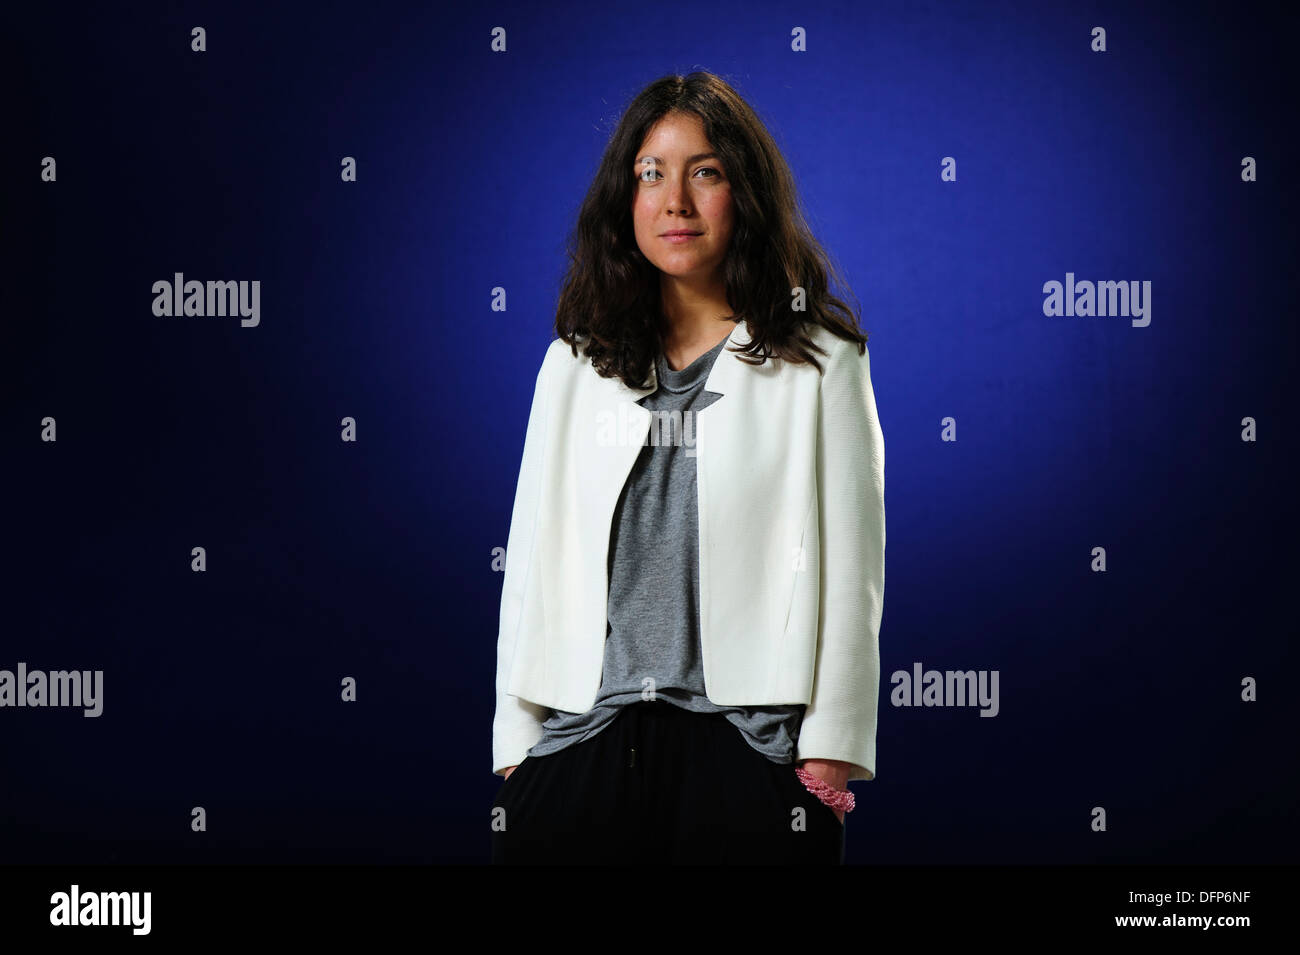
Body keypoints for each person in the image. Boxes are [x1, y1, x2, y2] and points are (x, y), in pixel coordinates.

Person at [490, 70, 885, 864]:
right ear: (625, 200)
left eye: (705, 171)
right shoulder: (572, 366)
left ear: (746, 193)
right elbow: (528, 557)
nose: (675, 200)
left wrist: (829, 759)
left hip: (748, 754)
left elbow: (853, 573)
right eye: (651, 173)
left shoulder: (819, 363)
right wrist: (516, 745)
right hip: (581, 748)